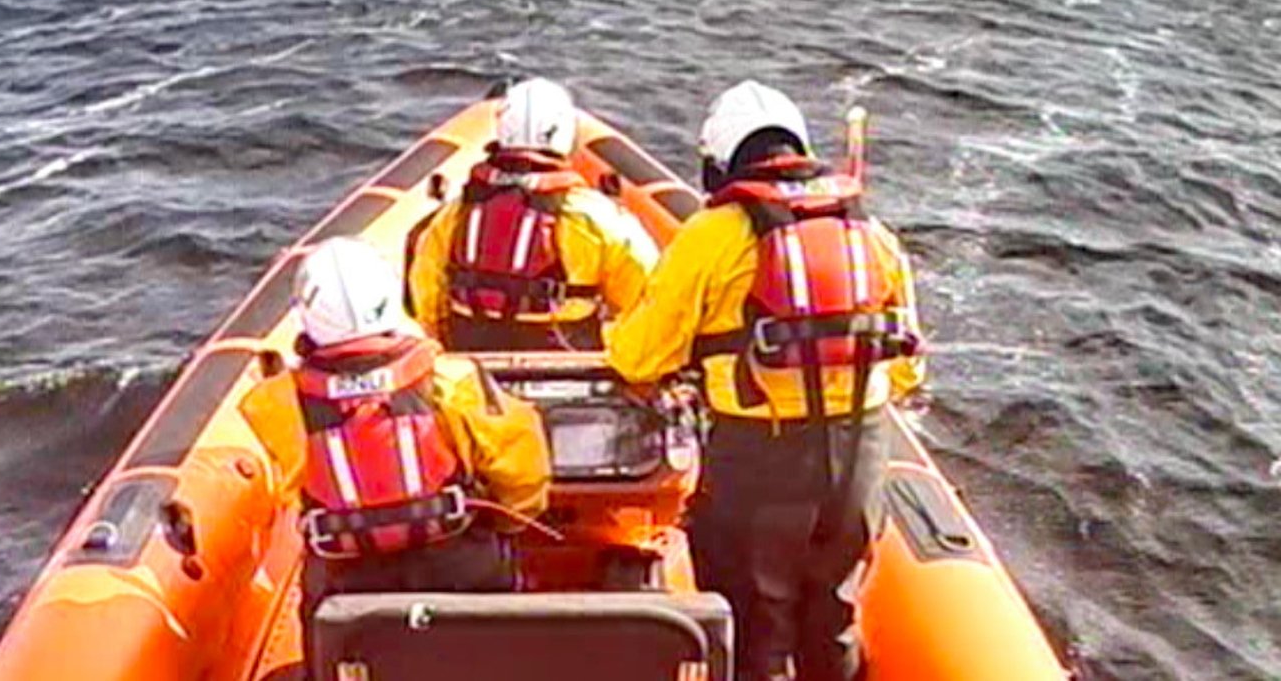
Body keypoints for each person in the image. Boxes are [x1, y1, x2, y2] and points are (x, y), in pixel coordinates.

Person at [606, 82, 925, 681]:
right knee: (834, 614)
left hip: (759, 464)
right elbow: (908, 367)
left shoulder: (713, 235)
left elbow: (639, 357)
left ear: (719, 163)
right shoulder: (872, 234)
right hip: (860, 455)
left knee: (755, 624)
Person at [239, 236, 551, 677]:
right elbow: (522, 474)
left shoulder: (275, 402)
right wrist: (508, 521)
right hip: (458, 562)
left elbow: (297, 482)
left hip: (346, 578)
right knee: (499, 594)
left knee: (322, 629)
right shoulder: (453, 380)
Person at [409, 76, 658, 350]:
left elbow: (426, 284)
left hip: (470, 349)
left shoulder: (458, 211)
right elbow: (645, 292)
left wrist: (437, 336)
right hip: (564, 356)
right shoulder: (595, 216)